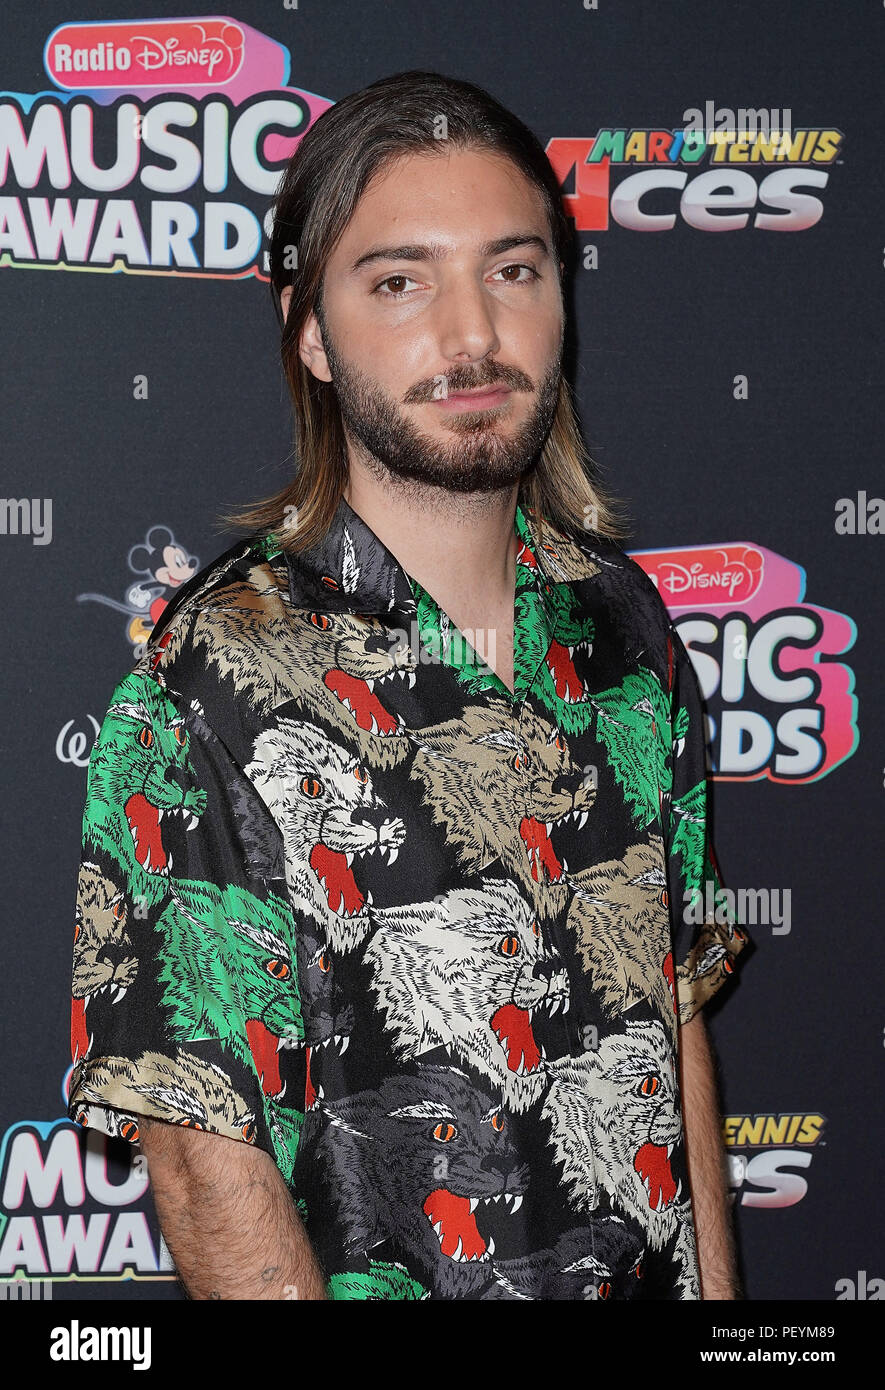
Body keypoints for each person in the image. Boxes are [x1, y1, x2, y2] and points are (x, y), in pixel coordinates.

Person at [67, 69, 750, 1301]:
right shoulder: (213, 683)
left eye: (513, 269)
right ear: (312, 332)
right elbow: (199, 1157)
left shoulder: (627, 628)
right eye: (400, 281)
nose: (471, 332)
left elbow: (675, 1015)